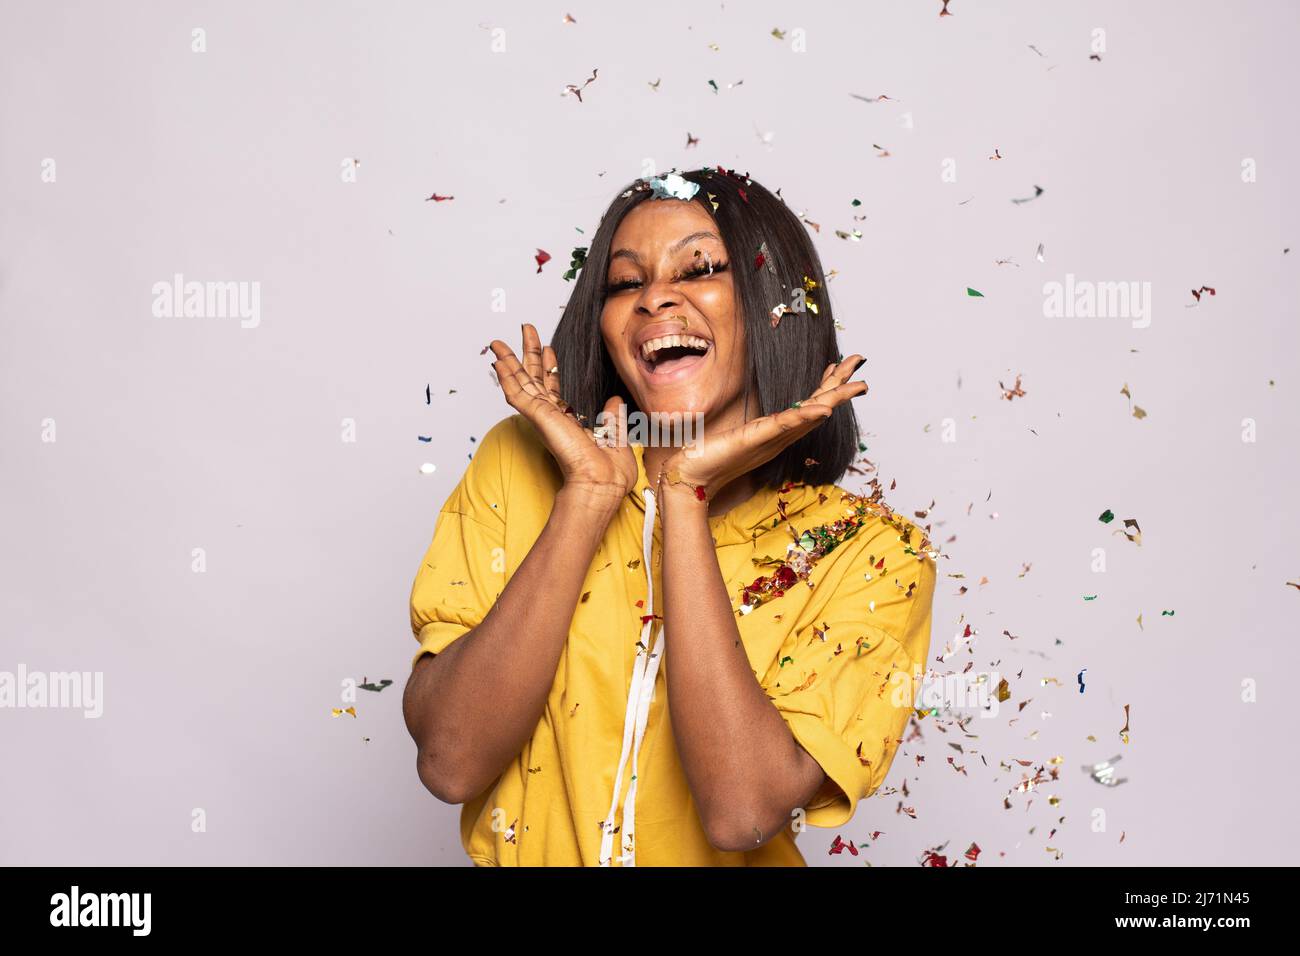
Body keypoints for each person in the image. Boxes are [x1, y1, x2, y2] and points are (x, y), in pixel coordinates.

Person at [401, 166, 937, 866]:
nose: (656, 297)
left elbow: (741, 810)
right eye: (625, 283)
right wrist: (588, 498)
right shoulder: (519, 467)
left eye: (701, 268)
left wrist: (683, 496)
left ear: (774, 303)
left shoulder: (871, 552)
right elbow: (451, 762)